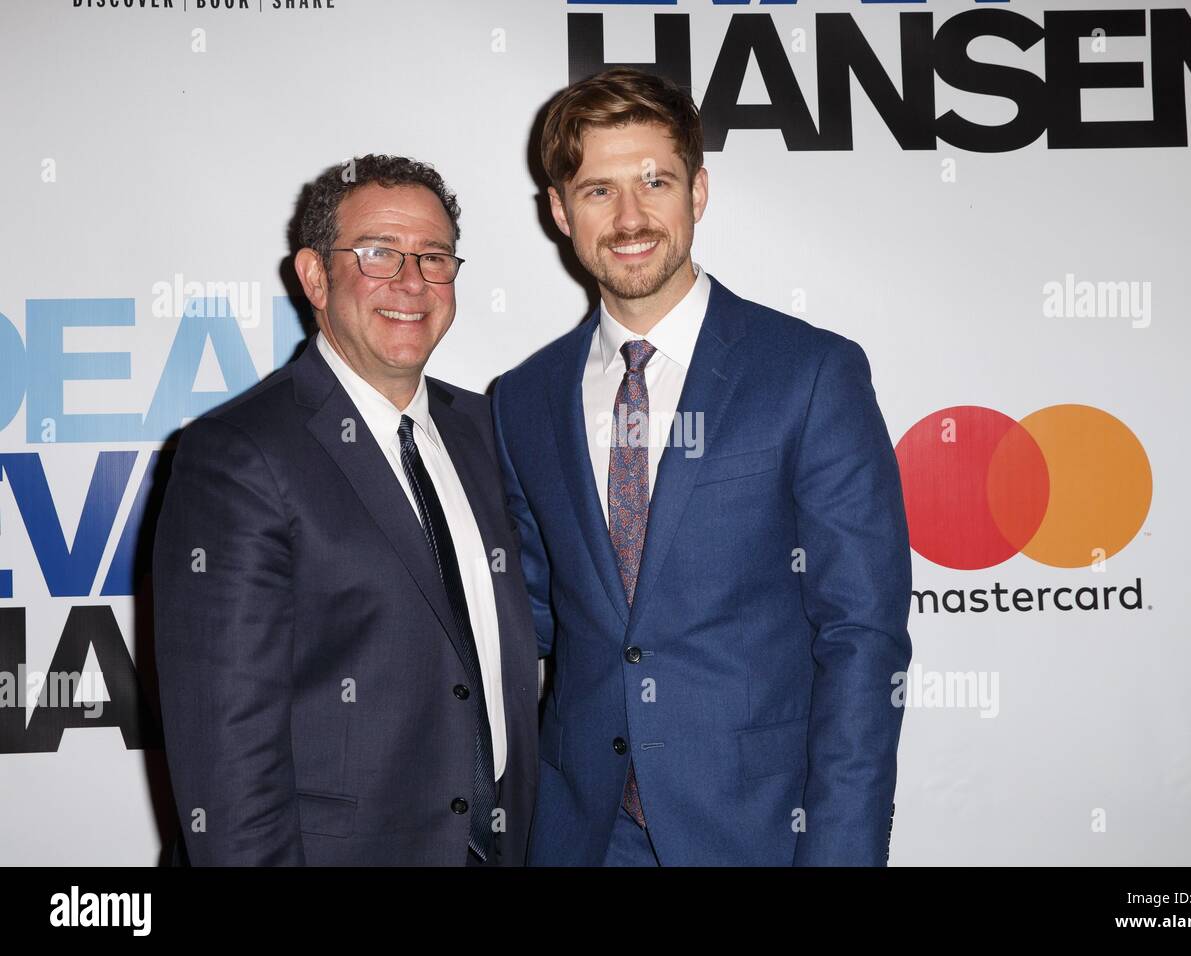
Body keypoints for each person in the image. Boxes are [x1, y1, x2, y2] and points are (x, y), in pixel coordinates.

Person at [493, 68, 912, 866]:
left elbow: (863, 637)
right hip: (580, 837)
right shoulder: (523, 400)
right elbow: (527, 621)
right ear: (558, 211)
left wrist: (842, 854)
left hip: (756, 832)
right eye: (597, 191)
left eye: (656, 181)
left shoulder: (808, 372)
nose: (630, 218)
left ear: (700, 191)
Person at [154, 154, 537, 865]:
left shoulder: (490, 433)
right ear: (313, 276)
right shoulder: (235, 456)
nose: (411, 282)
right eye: (378, 254)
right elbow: (226, 752)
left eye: (433, 257)